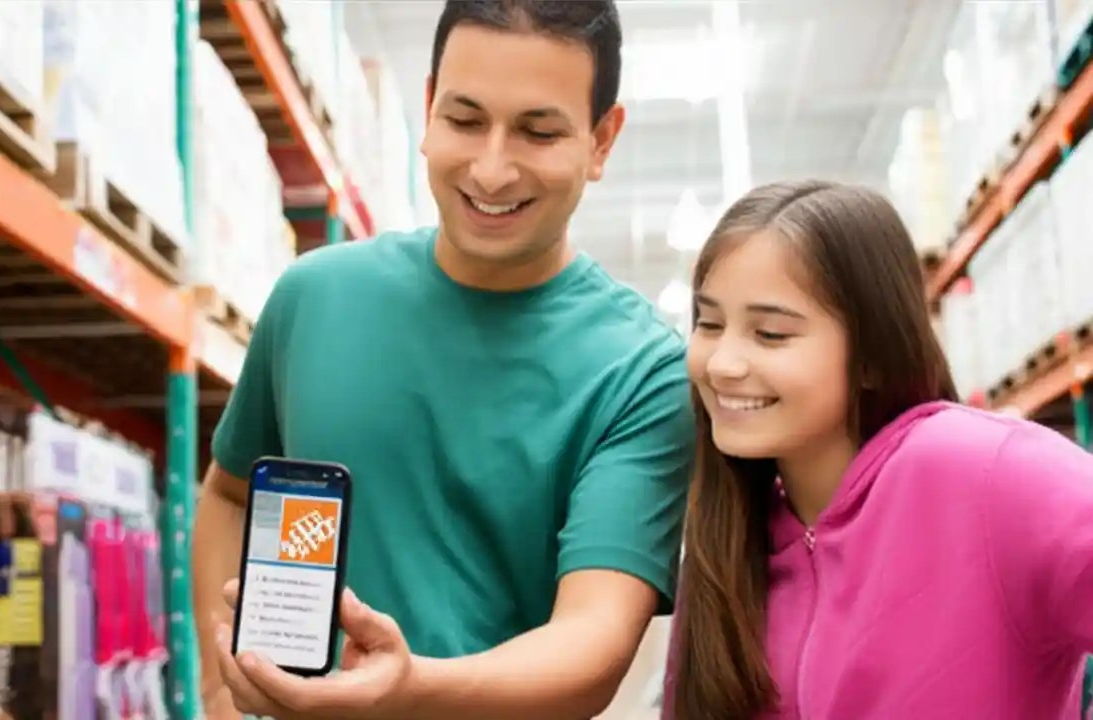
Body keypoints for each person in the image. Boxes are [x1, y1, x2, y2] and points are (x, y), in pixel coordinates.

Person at [192, 1, 696, 718]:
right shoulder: (315, 298)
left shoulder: (641, 370)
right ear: (429, 107)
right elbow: (229, 493)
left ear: (601, 140)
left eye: (538, 132)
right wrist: (220, 693)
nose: (491, 170)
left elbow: (592, 642)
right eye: (464, 120)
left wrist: (409, 690)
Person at [664, 179, 1093, 718]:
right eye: (709, 324)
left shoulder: (984, 472)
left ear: (871, 357)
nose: (722, 363)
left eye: (770, 334)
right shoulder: (725, 548)